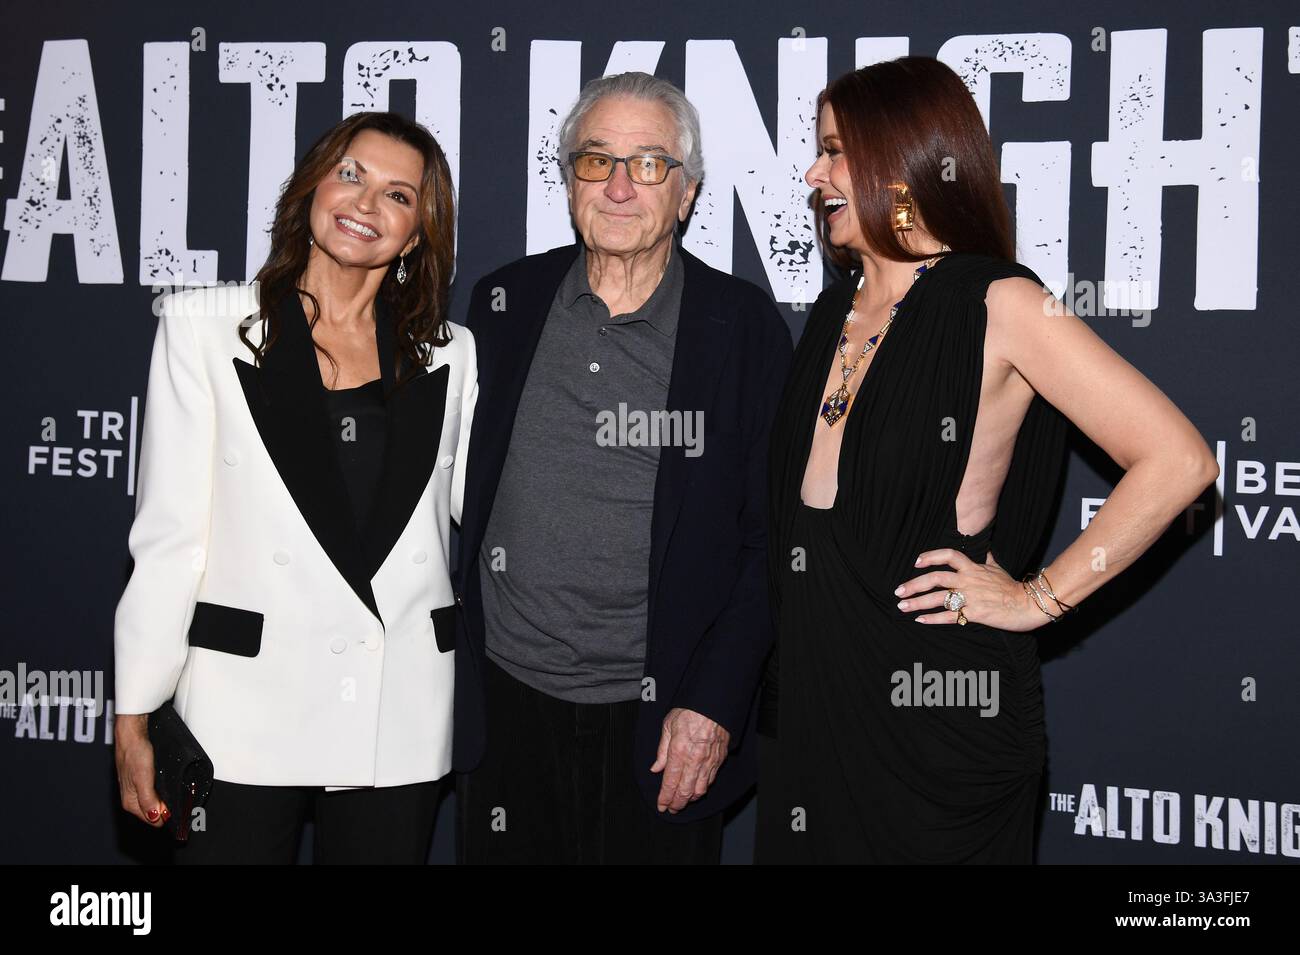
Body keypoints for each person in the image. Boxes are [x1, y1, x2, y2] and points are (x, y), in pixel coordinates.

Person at [755, 57, 1219, 864]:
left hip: (936, 738)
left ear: (903, 157)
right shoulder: (837, 308)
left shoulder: (1000, 302)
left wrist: (1039, 598)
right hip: (816, 717)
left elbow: (1178, 460)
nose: (813, 171)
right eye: (817, 149)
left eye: (835, 149)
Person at [113, 111, 477, 864]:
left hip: (394, 710)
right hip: (242, 707)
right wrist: (134, 713)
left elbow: (483, 518)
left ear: (417, 234)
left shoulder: (450, 355)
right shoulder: (204, 327)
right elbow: (170, 539)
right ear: (311, 188)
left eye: (399, 195)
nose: (367, 203)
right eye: (351, 174)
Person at [452, 72, 792, 864]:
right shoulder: (503, 302)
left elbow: (771, 543)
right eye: (595, 160)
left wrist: (712, 702)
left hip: (662, 716)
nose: (616, 185)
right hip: (504, 705)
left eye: (647, 164)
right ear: (568, 178)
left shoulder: (740, 329)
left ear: (687, 193)